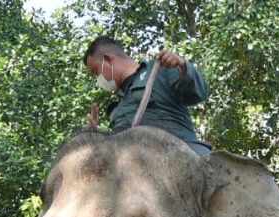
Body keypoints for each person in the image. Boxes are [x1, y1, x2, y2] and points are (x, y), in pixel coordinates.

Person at [83, 35, 211, 155]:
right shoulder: (118, 106)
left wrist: (183, 67)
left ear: (109, 59)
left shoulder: (160, 69)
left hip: (183, 153)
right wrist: (95, 134)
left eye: (96, 71)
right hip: (136, 165)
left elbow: (200, 93)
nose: (98, 79)